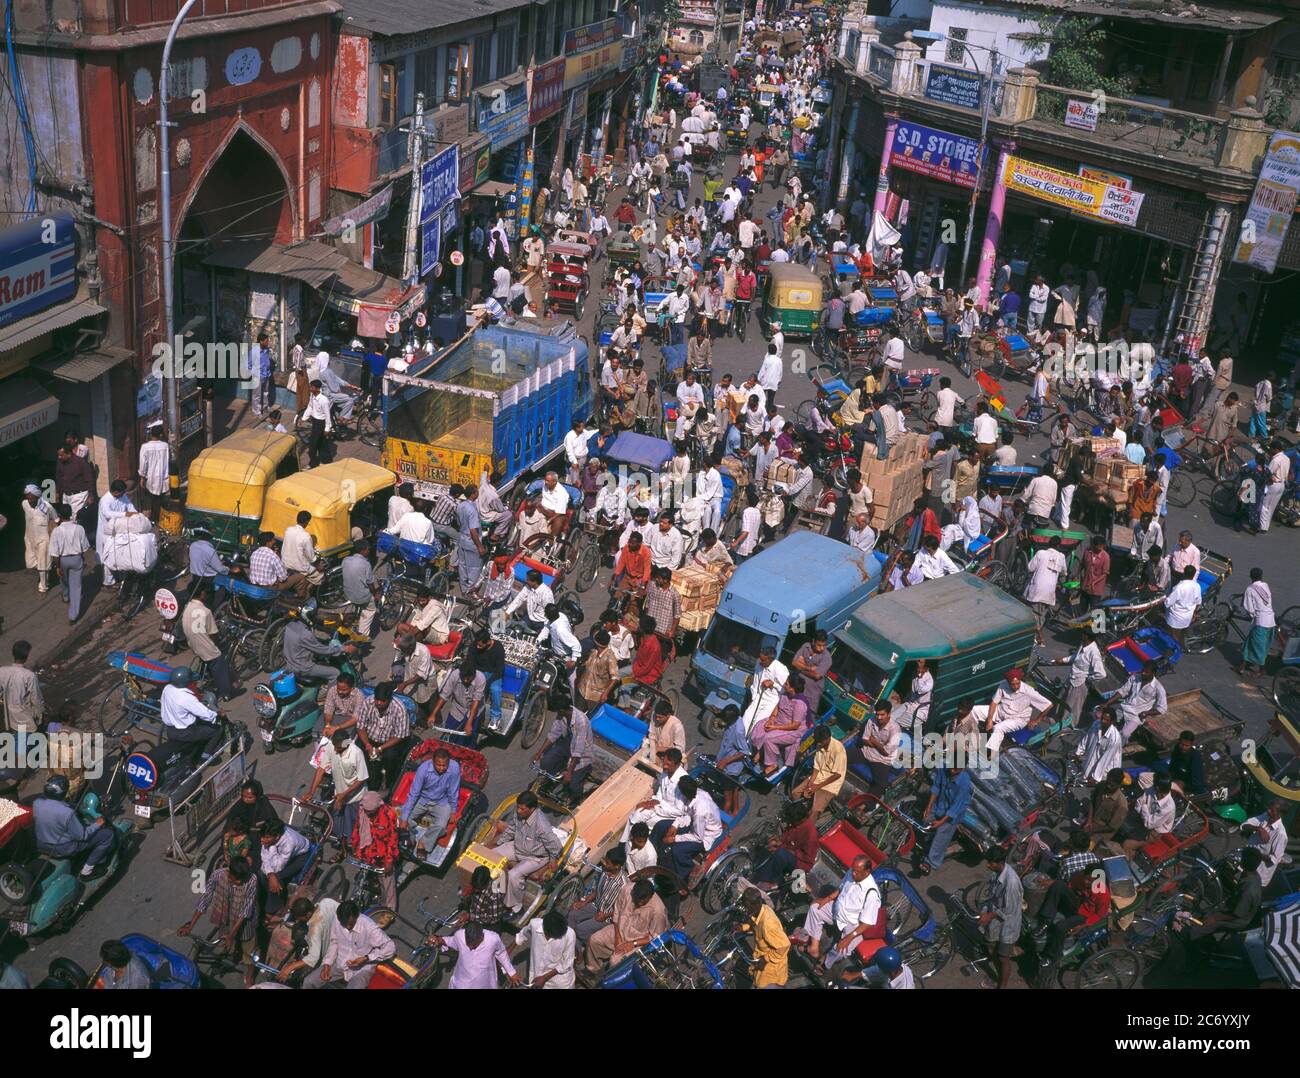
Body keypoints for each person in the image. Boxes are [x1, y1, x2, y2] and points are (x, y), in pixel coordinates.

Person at [177, 856, 259, 986]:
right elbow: (205, 899)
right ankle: (232, 955)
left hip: (245, 921)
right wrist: (190, 925)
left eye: (241, 879)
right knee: (226, 944)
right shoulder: (217, 875)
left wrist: (232, 934)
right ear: (229, 872)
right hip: (225, 916)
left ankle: (249, 975)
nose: (239, 882)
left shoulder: (252, 880)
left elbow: (246, 911)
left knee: (249, 950)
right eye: (236, 879)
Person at [797, 854, 884, 967]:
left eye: (856, 872)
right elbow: (840, 889)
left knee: (843, 948)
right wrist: (826, 899)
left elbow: (867, 923)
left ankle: (825, 964)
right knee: (815, 909)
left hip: (853, 924)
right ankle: (814, 948)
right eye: (853, 870)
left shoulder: (872, 894)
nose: (853, 873)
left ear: (866, 872)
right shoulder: (852, 872)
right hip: (838, 911)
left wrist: (849, 937)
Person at [488, 790, 564, 913]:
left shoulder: (541, 825)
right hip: (517, 847)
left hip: (534, 857)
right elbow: (512, 829)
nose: (519, 811)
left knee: (514, 875)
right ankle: (498, 890)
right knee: (493, 857)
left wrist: (553, 859)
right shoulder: (519, 814)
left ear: (532, 809)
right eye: (518, 808)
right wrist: (499, 842)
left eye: (522, 809)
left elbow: (556, 846)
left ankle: (515, 906)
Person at [31, 774, 116, 879]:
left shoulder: (37, 803)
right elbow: (83, 836)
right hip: (63, 848)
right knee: (107, 835)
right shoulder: (67, 812)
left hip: (41, 844)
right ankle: (87, 871)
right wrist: (98, 823)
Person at [303, 900, 397, 989]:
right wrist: (327, 964)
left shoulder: (369, 927)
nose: (347, 927)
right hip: (340, 964)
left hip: (361, 970)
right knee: (308, 982)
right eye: (344, 924)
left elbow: (390, 948)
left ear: (356, 916)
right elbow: (334, 942)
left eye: (350, 924)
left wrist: (366, 958)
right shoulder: (337, 920)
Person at [584, 878, 671, 973]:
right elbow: (616, 913)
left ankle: (612, 982)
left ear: (650, 896)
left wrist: (632, 944)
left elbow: (655, 937)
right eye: (636, 899)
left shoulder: (658, 910)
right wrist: (618, 937)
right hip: (619, 930)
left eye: (642, 901)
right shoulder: (627, 889)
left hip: (639, 941)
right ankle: (593, 971)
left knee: (615, 961)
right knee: (594, 940)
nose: (638, 903)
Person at [307, 730, 370, 860]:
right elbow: (321, 768)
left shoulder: (356, 753)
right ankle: (342, 852)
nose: (335, 749)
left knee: (354, 829)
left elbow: (361, 779)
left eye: (338, 747)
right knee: (339, 829)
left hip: (354, 799)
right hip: (339, 798)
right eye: (334, 746)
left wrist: (343, 795)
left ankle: (359, 852)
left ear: (347, 743)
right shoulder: (332, 746)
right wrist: (311, 791)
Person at [918, 761, 974, 876]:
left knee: (942, 833)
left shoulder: (965, 782)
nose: (952, 771)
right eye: (951, 767)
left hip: (954, 813)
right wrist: (928, 807)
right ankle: (928, 840)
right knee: (924, 819)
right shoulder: (943, 768)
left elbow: (955, 808)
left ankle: (931, 861)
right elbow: (936, 787)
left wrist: (940, 822)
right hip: (940, 803)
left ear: (962, 768)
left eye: (956, 769)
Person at [978, 846, 1023, 989]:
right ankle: (998, 979)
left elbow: (1008, 909)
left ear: (1000, 862)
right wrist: (985, 911)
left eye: (991, 862)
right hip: (996, 922)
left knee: (1004, 958)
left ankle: (1002, 986)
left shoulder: (1011, 883)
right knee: (992, 948)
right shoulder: (997, 873)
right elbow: (992, 896)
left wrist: (988, 916)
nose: (988, 865)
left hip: (1008, 925)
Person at [534, 697, 594, 802]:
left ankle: (575, 797)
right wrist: (539, 753)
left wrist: (569, 772)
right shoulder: (562, 715)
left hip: (583, 754)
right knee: (546, 761)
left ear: (562, 710)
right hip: (568, 744)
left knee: (573, 785)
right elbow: (553, 734)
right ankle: (550, 778)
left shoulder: (581, 721)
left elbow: (578, 750)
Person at [984, 667, 1053, 753]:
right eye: (1013, 684)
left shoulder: (1029, 691)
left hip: (1017, 719)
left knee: (998, 728)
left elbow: (1049, 705)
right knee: (976, 710)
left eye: (1018, 683)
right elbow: (994, 702)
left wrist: (1037, 721)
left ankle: (992, 754)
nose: (1016, 686)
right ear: (1008, 682)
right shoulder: (1003, 685)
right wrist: (990, 719)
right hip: (1002, 713)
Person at [739, 887, 791, 988]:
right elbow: (755, 923)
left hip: (771, 971)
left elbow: (784, 945)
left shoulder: (768, 924)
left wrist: (765, 959)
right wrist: (743, 927)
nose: (745, 910)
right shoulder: (761, 909)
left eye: (747, 907)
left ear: (755, 905)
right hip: (761, 963)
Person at [791, 724, 845, 819]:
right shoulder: (820, 744)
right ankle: (799, 815)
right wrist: (811, 782)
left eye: (819, 741)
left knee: (815, 810)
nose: (817, 743)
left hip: (830, 784)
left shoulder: (838, 750)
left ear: (826, 739)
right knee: (795, 792)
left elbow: (837, 775)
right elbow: (817, 767)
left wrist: (817, 787)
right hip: (819, 777)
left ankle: (807, 829)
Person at [49, 503, 90, 622]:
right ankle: (73, 615)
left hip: (63, 560)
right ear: (71, 514)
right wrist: (81, 558)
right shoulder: (79, 528)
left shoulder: (56, 531)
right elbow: (84, 548)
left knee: (63, 578)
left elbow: (55, 553)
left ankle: (66, 596)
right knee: (76, 587)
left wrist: (57, 566)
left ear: (60, 516)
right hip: (77, 558)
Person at [1120, 775, 1176, 858]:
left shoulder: (1168, 807)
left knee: (1127, 844)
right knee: (1119, 822)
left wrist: (1144, 807)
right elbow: (1138, 803)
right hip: (1140, 821)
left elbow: (1149, 824)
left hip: (1153, 834)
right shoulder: (1152, 790)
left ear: (1157, 788)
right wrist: (1145, 813)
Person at [1242, 799, 1288, 888]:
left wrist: (1254, 854)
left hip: (1258, 875)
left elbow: (1274, 859)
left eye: (1272, 810)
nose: (1268, 811)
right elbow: (1244, 825)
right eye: (1269, 808)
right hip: (1246, 865)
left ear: (1280, 814)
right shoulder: (1265, 816)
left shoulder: (1281, 834)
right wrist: (1259, 829)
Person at [1238, 568, 1276, 675]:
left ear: (1250, 576)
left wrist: (1251, 615)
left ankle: (1262, 669)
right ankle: (1242, 666)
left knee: (1258, 646)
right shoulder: (1265, 585)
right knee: (1249, 643)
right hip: (1271, 620)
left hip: (1261, 622)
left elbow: (1249, 608)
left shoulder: (1249, 589)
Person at [1085, 768, 1129, 843]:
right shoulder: (1101, 785)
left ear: (1119, 784)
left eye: (1112, 785)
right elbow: (1092, 801)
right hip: (1091, 823)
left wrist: (1092, 829)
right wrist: (1089, 821)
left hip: (1102, 833)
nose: (1108, 786)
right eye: (1108, 782)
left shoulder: (1122, 805)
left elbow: (1111, 827)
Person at [1163, 563, 1202, 647]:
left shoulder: (1179, 588)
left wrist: (1164, 598)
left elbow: (1167, 603)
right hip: (1187, 617)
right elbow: (1198, 602)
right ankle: (1181, 646)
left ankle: (1175, 649)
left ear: (1184, 573)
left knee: (1173, 635)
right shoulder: (1197, 586)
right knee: (1180, 634)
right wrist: (1194, 613)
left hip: (1175, 618)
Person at [137, 423, 170, 522]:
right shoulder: (165, 446)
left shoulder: (145, 447)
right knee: (161, 498)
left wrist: (142, 477)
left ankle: (154, 518)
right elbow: (167, 460)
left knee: (152, 499)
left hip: (151, 477)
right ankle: (161, 517)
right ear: (160, 435)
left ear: (151, 434)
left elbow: (143, 464)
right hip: (163, 476)